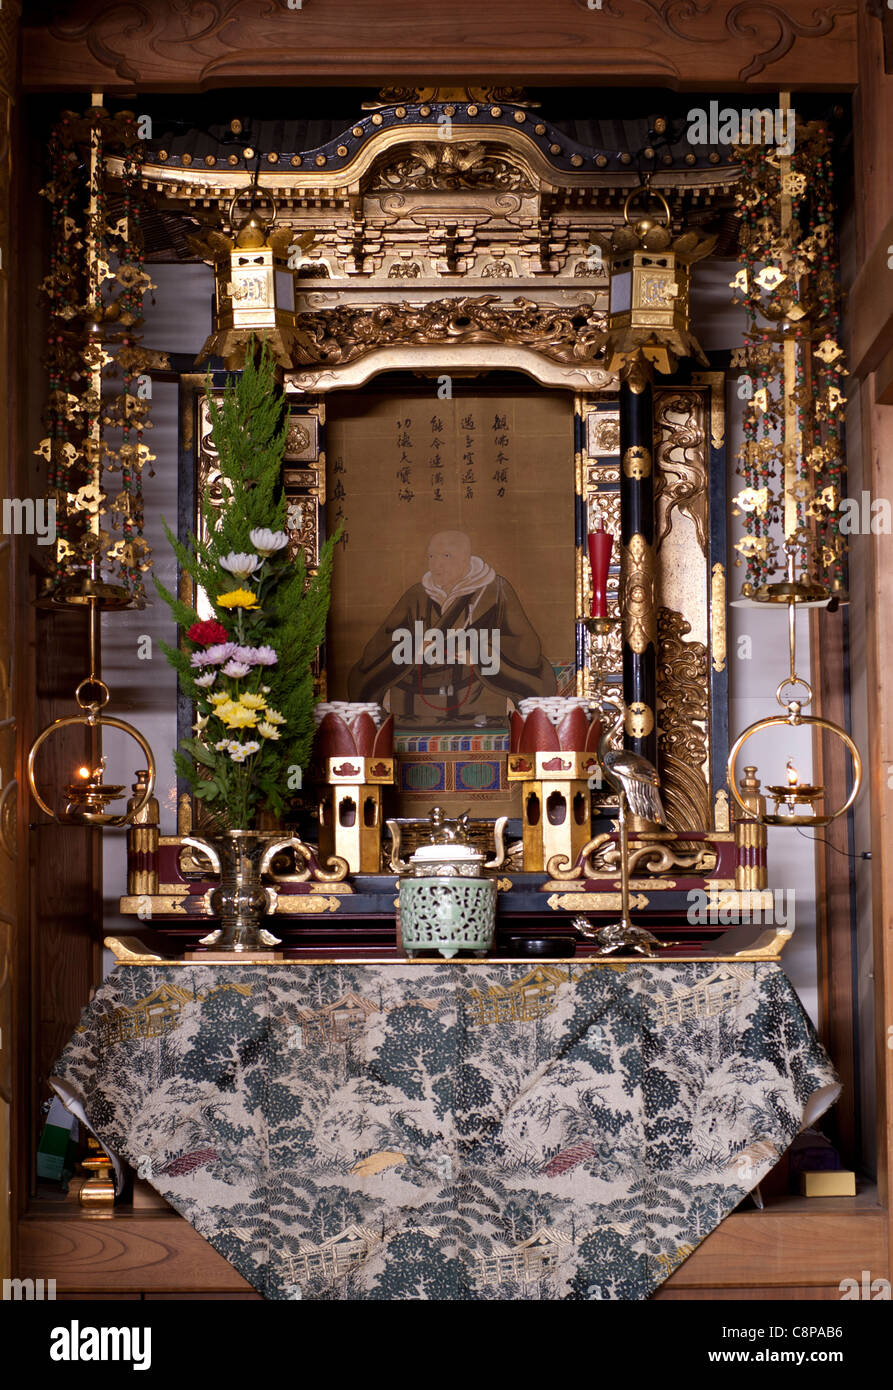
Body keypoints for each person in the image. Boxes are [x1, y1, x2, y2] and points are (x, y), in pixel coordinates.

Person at [347, 529, 556, 721]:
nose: (436, 565)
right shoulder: (417, 594)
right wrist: (413, 649)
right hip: (421, 684)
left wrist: (480, 654)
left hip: (475, 683)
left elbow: (525, 645)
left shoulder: (495, 591)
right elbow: (380, 645)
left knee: (494, 699)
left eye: (446, 556)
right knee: (393, 699)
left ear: (466, 559)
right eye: (431, 556)